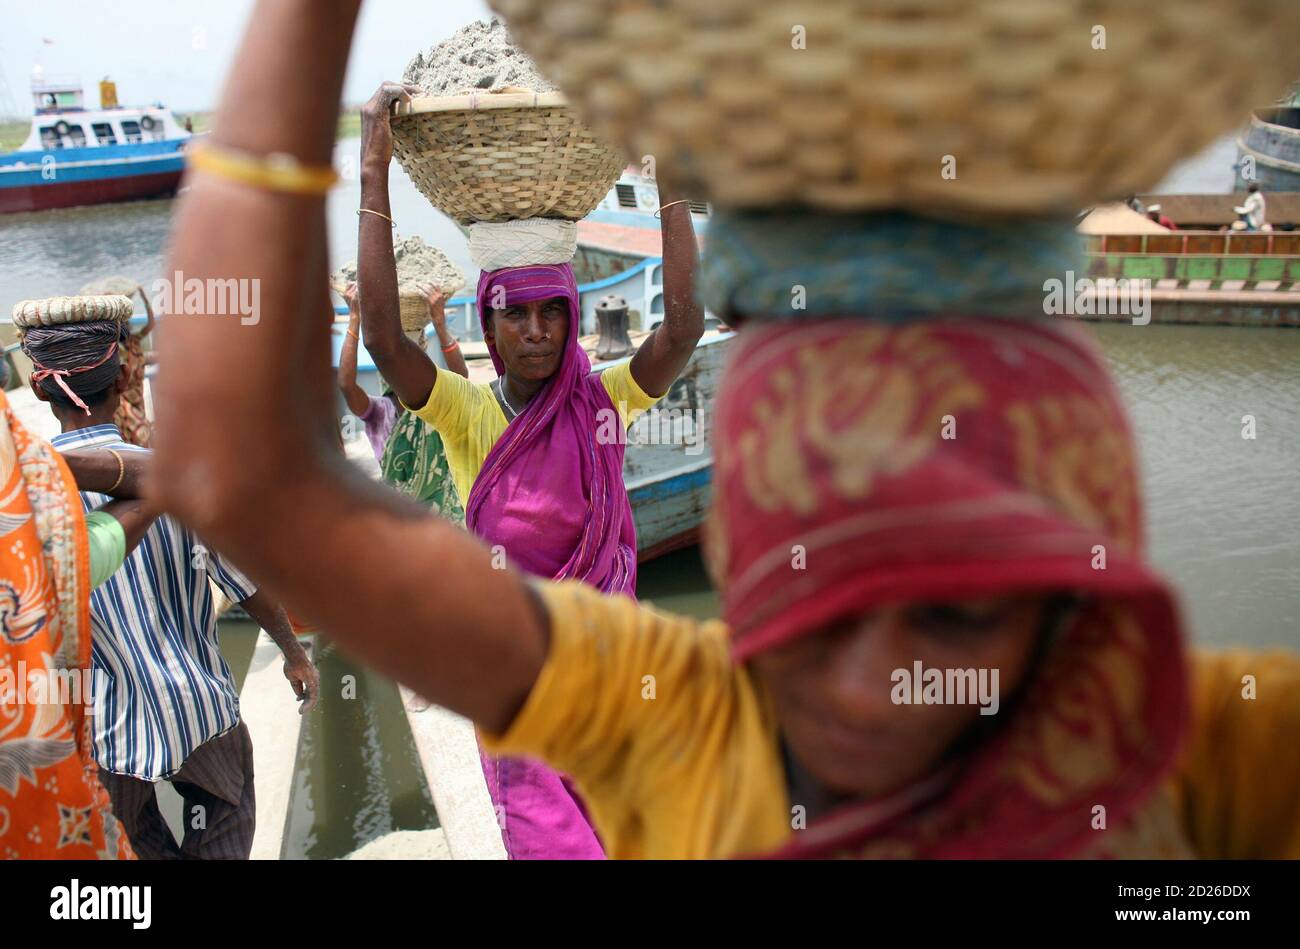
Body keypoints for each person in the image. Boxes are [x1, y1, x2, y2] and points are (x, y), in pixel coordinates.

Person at [153, 0, 1300, 859]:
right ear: (746, 558)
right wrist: (357, 132)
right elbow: (240, 464)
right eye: (822, 600)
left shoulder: (1199, 767)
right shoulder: (677, 712)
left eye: (958, 612)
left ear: (1078, 605)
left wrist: (663, 174)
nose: (868, 688)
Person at [350, 79, 703, 857]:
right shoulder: (468, 414)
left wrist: (671, 178)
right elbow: (383, 342)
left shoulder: (605, 402)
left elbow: (681, 331)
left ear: (574, 316)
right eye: (516, 314)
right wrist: (372, 174)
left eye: (553, 313)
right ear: (490, 319)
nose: (536, 333)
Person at [23, 315, 319, 860]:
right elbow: (242, 578)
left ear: (40, 389)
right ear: (121, 383)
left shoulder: (28, 499)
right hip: (199, 706)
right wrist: (294, 653)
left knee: (133, 841)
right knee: (226, 818)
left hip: (108, 728)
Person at [0, 382, 154, 860]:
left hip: (113, 741)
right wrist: (32, 472)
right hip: (182, 717)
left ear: (42, 389)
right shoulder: (36, 539)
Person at [337, 280, 467, 520]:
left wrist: (440, 325)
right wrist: (354, 319)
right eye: (391, 362)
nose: (401, 370)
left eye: (409, 358)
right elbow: (346, 384)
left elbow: (462, 380)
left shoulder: (438, 403)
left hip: (446, 521)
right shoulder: (379, 412)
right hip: (399, 520)